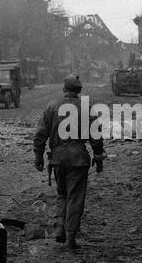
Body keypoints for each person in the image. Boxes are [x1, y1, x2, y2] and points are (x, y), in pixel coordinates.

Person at [33, 74, 105, 250]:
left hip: (57, 158)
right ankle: (71, 237)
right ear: (79, 91)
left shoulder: (51, 106)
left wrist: (38, 156)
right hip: (78, 158)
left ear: (64, 89)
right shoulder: (87, 108)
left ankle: (60, 228)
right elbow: (96, 137)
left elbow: (40, 134)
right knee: (75, 196)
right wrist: (98, 156)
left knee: (62, 193)